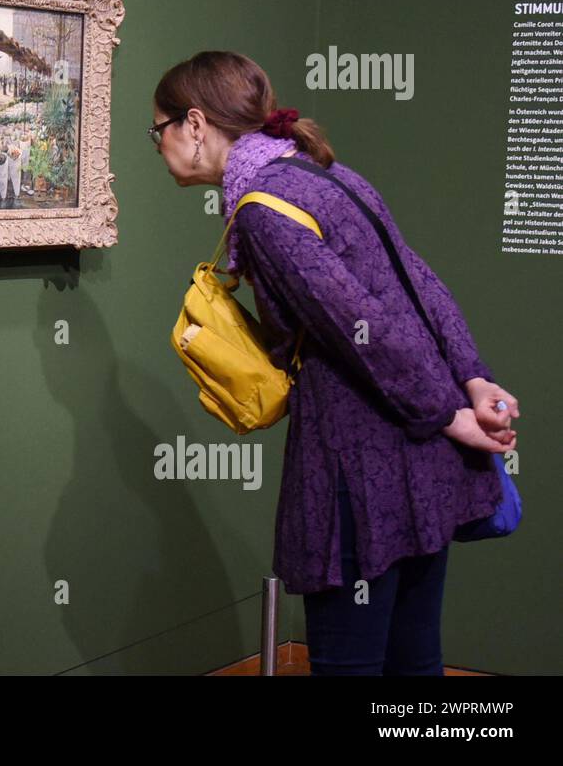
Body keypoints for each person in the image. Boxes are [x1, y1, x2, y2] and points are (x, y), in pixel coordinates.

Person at [150, 50, 520, 676]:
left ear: (193, 124)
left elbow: (364, 331)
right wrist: (472, 379)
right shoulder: (331, 175)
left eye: (156, 131)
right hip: (421, 468)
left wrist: (451, 411)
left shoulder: (264, 212)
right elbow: (420, 283)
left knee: (351, 665)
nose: (156, 146)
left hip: (360, 473)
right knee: (415, 665)